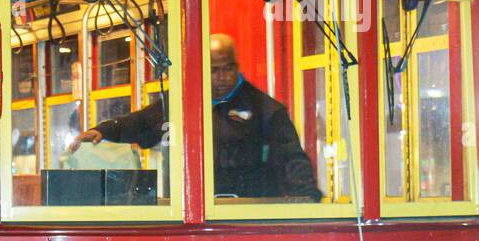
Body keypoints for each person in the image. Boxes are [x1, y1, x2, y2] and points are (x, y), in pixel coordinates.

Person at [70, 34, 322, 201]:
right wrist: (104, 130)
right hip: (189, 213)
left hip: (246, 217)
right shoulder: (181, 104)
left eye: (228, 69)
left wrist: (308, 200)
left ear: (236, 67)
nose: (222, 77)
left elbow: (292, 159)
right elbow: (141, 123)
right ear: (202, 69)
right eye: (214, 70)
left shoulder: (265, 110)